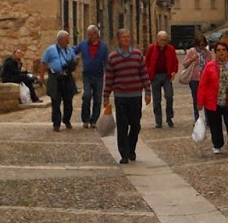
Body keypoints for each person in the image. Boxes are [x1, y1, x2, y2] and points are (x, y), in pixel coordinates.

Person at [103, 27, 149, 163]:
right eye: (123, 37)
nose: (126, 39)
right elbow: (109, 78)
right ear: (118, 40)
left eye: (128, 37)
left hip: (135, 95)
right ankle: (124, 153)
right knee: (122, 126)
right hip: (121, 96)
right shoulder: (113, 58)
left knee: (135, 125)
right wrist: (106, 96)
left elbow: (144, 73)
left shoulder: (137, 55)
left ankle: (131, 148)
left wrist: (147, 91)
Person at [196, 39, 228, 157]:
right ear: (215, 52)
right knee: (215, 123)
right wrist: (200, 101)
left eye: (223, 50)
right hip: (213, 100)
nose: (221, 52)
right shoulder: (209, 66)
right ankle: (217, 144)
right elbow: (203, 85)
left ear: (227, 52)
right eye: (218, 50)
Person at [39, 30, 78, 130]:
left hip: (67, 77)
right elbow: (43, 62)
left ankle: (67, 120)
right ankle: (56, 123)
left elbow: (74, 61)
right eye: (66, 39)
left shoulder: (70, 50)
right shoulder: (51, 50)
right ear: (60, 40)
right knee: (55, 101)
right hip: (55, 77)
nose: (68, 41)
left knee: (68, 100)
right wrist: (41, 76)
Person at [144, 31, 179, 129]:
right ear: (157, 39)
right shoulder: (151, 48)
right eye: (162, 40)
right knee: (156, 100)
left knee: (169, 96)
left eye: (165, 40)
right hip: (155, 76)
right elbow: (147, 62)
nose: (163, 42)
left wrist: (174, 71)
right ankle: (158, 121)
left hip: (166, 76)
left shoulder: (171, 49)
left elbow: (175, 62)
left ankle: (169, 116)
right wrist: (148, 73)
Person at [77, 25, 109, 129]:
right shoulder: (83, 45)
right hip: (86, 74)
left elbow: (106, 62)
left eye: (91, 35)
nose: (90, 37)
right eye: (88, 35)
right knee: (86, 95)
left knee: (97, 99)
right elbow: (73, 52)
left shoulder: (103, 47)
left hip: (98, 75)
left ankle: (94, 120)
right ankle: (85, 119)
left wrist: (108, 74)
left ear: (96, 34)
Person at [179, 33, 209, 122]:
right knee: (196, 99)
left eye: (203, 45)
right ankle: (198, 119)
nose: (202, 47)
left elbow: (211, 64)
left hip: (205, 79)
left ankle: (207, 118)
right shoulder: (191, 51)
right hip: (194, 79)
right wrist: (192, 59)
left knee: (206, 99)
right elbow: (184, 64)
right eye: (200, 45)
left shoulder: (207, 53)